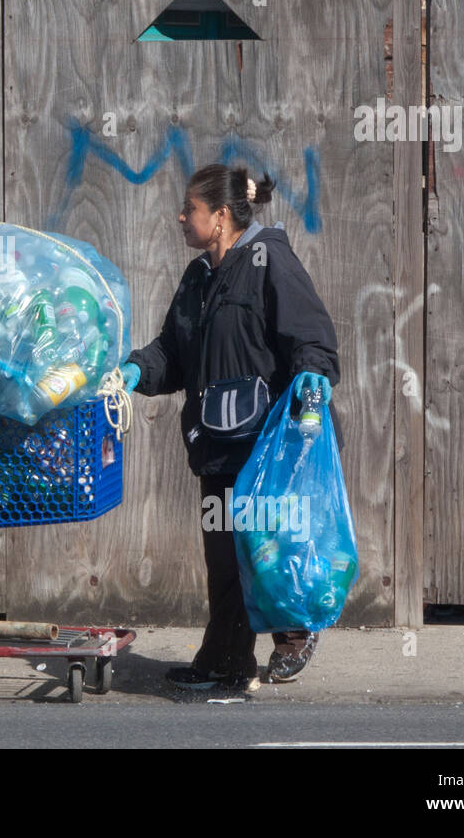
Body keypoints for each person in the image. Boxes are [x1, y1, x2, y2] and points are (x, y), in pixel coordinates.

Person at [119, 165, 341, 692]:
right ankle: (226, 656)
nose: (180, 216)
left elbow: (309, 331)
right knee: (223, 555)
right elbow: (172, 353)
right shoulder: (198, 278)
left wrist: (313, 371)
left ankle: (294, 636)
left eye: (190, 209)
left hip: (266, 441)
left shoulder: (270, 259)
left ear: (220, 216)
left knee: (271, 545)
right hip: (216, 444)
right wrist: (132, 371)